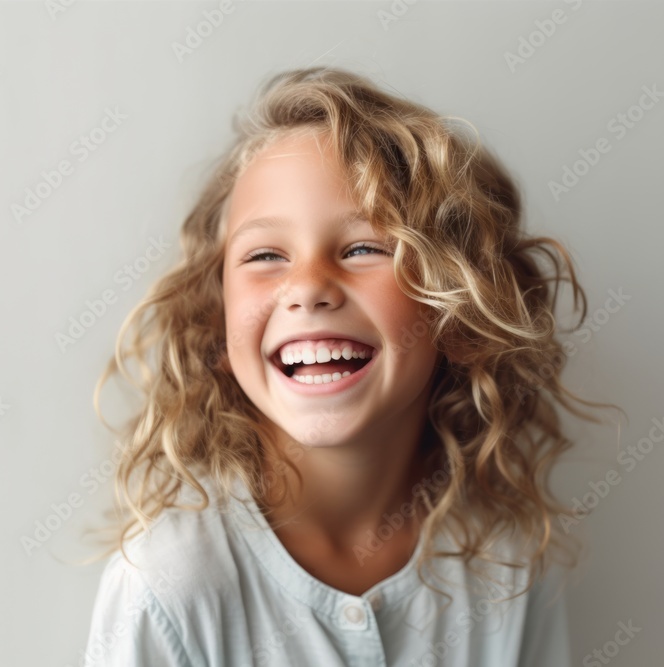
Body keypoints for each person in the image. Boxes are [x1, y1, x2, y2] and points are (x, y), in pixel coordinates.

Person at [81, 66, 616, 666]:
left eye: (363, 247)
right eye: (265, 255)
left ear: (459, 313)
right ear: (217, 321)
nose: (308, 287)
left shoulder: (508, 560)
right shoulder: (167, 588)